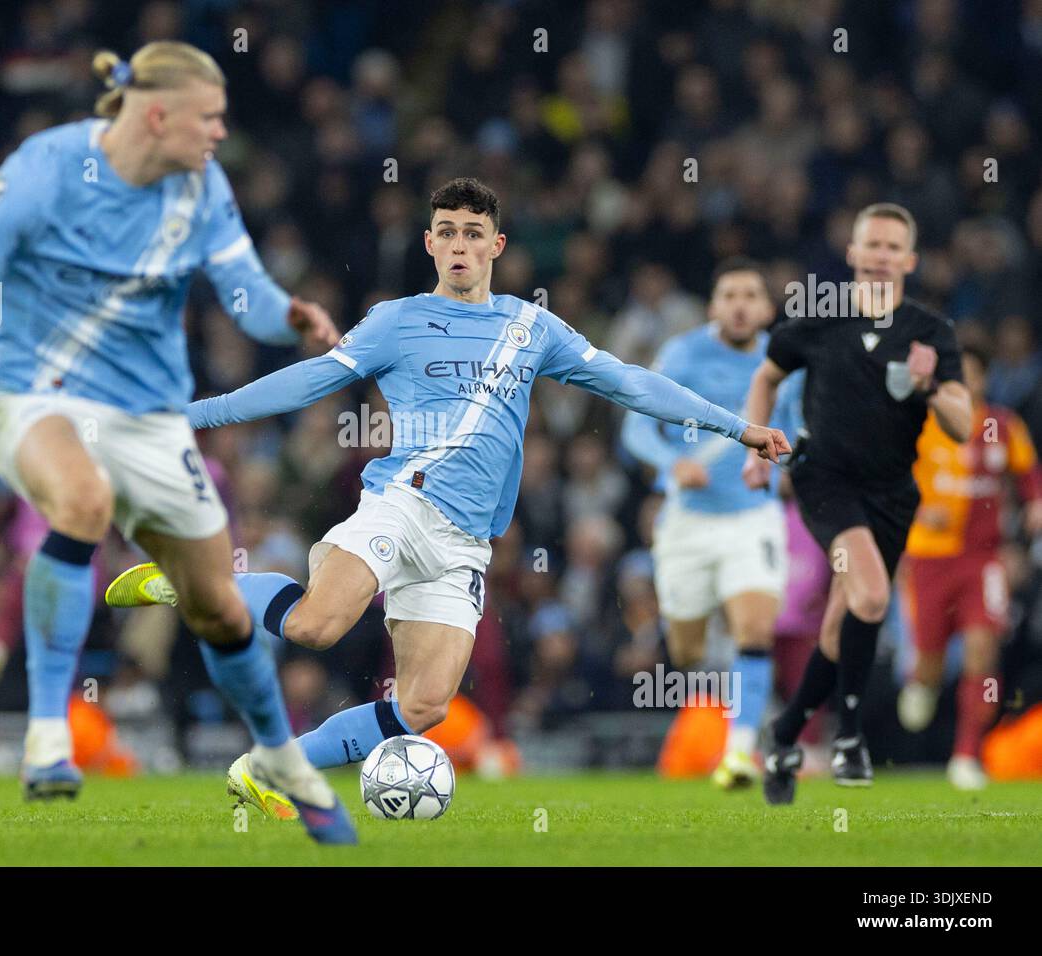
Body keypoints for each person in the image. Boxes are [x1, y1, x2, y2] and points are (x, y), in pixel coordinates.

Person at [106, 177, 790, 820]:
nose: (460, 245)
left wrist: (739, 429)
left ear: (496, 245)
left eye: (473, 233)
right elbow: (306, 381)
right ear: (430, 243)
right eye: (447, 233)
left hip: (465, 543)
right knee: (316, 626)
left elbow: (632, 383)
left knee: (423, 708)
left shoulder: (532, 328)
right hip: (403, 503)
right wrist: (195, 415)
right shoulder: (396, 321)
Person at [0, 41, 356, 843]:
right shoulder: (46, 170)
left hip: (149, 417)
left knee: (218, 607)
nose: (221, 133)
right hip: (37, 398)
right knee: (81, 499)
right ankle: (47, 735)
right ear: (158, 115)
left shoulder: (201, 187)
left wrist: (288, 315)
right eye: (210, 118)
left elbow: (244, 291)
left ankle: (281, 756)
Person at [743, 203, 972, 804]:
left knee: (843, 621)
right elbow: (766, 376)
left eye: (893, 247)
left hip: (893, 494)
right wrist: (755, 446)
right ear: (852, 252)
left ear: (910, 261)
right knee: (870, 595)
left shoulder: (930, 333)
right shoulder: (818, 317)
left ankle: (785, 735)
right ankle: (849, 736)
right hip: (825, 481)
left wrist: (928, 386)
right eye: (872, 244)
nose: (881, 256)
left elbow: (962, 425)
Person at [622, 257, 787, 790]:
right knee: (687, 650)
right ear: (713, 306)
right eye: (729, 295)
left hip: (753, 515)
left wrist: (783, 466)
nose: (739, 306)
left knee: (755, 630)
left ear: (767, 309)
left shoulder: (785, 362)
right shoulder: (682, 354)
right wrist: (672, 463)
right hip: (688, 521)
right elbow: (635, 429)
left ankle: (739, 753)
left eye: (750, 296)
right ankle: (710, 713)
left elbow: (802, 432)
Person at [900, 343, 1042, 790]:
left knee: (983, 650)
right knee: (930, 661)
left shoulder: (1003, 425)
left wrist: (1036, 504)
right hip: (929, 559)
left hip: (983, 560)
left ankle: (966, 754)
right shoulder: (920, 424)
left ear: (984, 379)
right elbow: (889, 480)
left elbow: (1028, 476)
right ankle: (922, 683)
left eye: (972, 373)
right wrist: (919, 510)